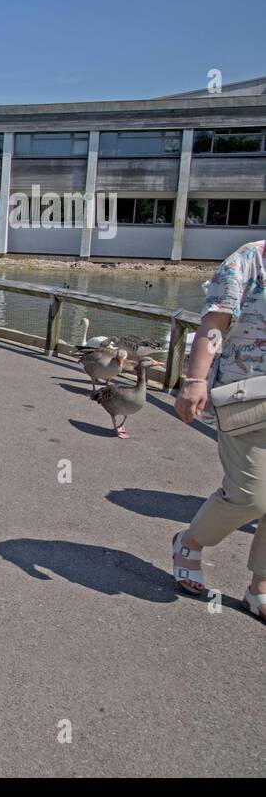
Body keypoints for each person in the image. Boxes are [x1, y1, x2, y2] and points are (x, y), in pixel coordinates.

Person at [174, 240, 266, 620]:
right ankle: (189, 542)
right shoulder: (250, 260)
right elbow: (215, 321)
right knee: (252, 495)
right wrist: (196, 380)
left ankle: (259, 586)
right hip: (247, 396)